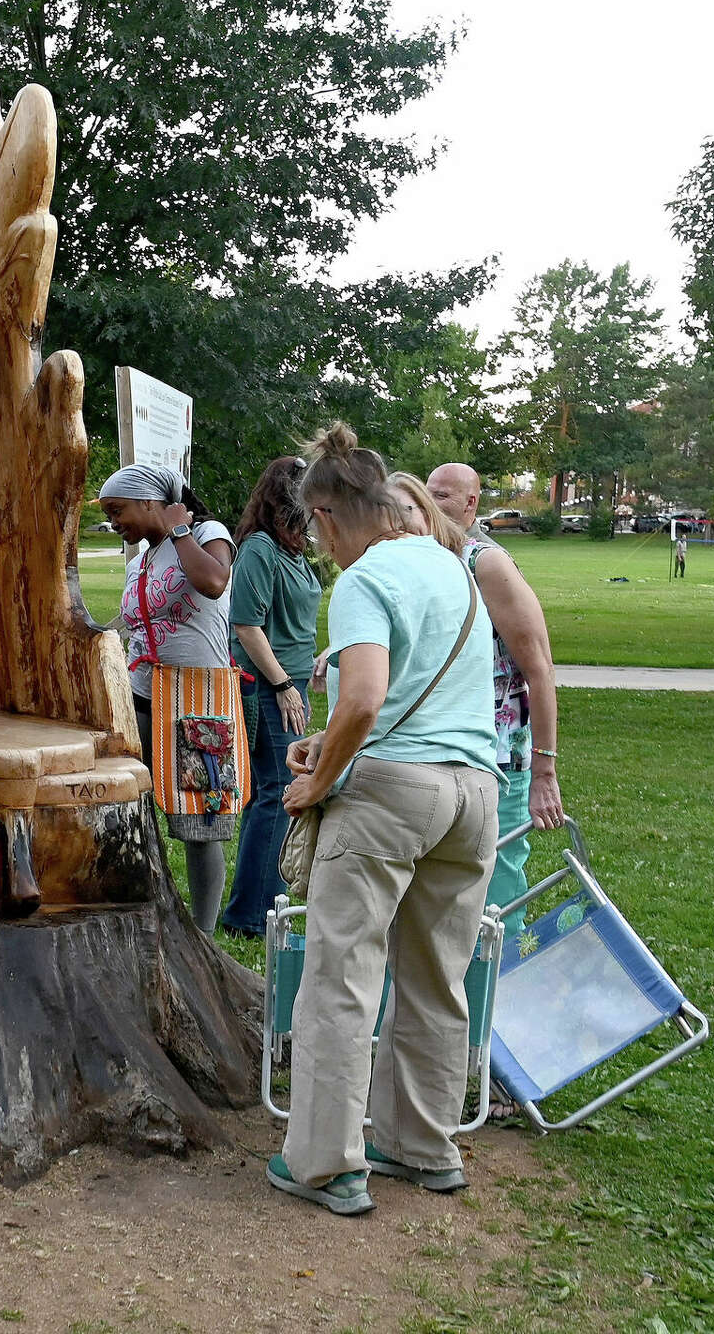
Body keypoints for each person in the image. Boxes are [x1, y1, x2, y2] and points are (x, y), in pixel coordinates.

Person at [266, 424, 500, 1218]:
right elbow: (401, 700)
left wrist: (315, 782)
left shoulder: (364, 580)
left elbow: (363, 699)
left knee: (341, 977)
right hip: (474, 794)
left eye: (314, 532)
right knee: (438, 979)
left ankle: (326, 1165)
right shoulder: (452, 565)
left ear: (326, 517)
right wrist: (324, 748)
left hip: (392, 793)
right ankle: (424, 1147)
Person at [427, 464, 566, 938]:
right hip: (440, 752)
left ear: (471, 504)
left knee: (496, 897)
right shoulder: (427, 558)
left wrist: (544, 770)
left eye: (444, 495)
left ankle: (493, 998)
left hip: (499, 756)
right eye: (427, 494)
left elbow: (540, 668)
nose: (432, 502)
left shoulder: (485, 562)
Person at [99, 463, 238, 934]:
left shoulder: (205, 533)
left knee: (198, 821)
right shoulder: (140, 559)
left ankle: (202, 935)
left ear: (149, 502)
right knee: (133, 811)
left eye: (119, 511)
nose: (115, 523)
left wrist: (180, 530)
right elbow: (138, 623)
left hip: (196, 700)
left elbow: (213, 583)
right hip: (141, 698)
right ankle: (150, 913)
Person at [218, 456, 320, 939]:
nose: (308, 526)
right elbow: (246, 625)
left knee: (281, 794)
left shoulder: (294, 553)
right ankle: (250, 916)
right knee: (276, 796)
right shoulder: (260, 548)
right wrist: (282, 685)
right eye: (301, 514)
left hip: (292, 687)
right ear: (280, 508)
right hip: (268, 689)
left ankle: (264, 907)